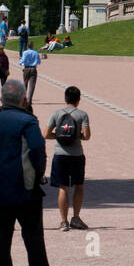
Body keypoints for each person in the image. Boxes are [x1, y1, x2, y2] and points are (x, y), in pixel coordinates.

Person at [0, 81, 62, 266]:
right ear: (24, 100)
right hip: (23, 187)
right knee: (33, 236)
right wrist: (39, 175)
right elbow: (37, 149)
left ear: (2, 99)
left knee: (1, 237)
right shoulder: (27, 121)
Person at [45, 85, 93, 232]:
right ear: (79, 100)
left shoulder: (56, 113)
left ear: (65, 98)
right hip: (76, 155)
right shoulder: (82, 115)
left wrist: (59, 137)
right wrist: (75, 136)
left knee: (63, 188)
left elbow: (46, 134)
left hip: (60, 155)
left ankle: (63, 221)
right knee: (79, 186)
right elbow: (87, 136)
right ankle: (76, 218)